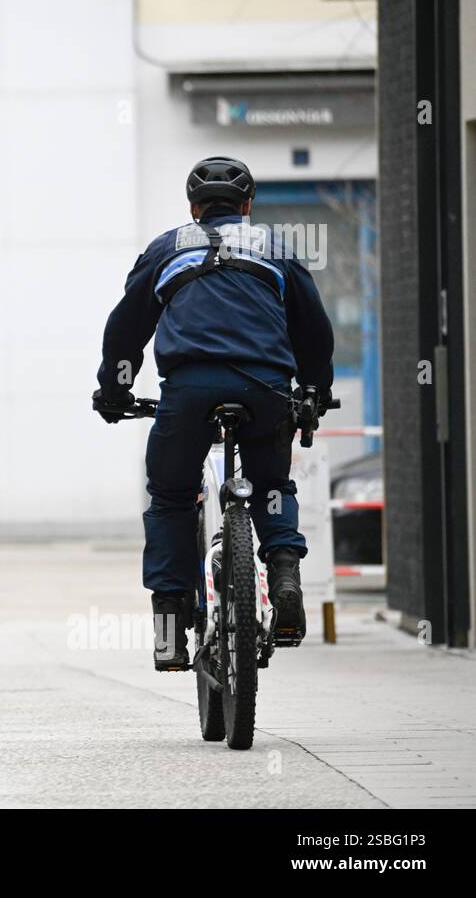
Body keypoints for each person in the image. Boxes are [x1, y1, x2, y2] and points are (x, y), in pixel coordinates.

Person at [92, 155, 335, 670]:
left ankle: (169, 622)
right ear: (247, 207)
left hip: (190, 389)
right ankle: (285, 573)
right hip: (266, 386)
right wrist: (312, 391)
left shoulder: (166, 248)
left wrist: (114, 390)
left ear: (192, 207)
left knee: (171, 496)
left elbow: (127, 327)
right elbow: (314, 331)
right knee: (271, 485)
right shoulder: (276, 248)